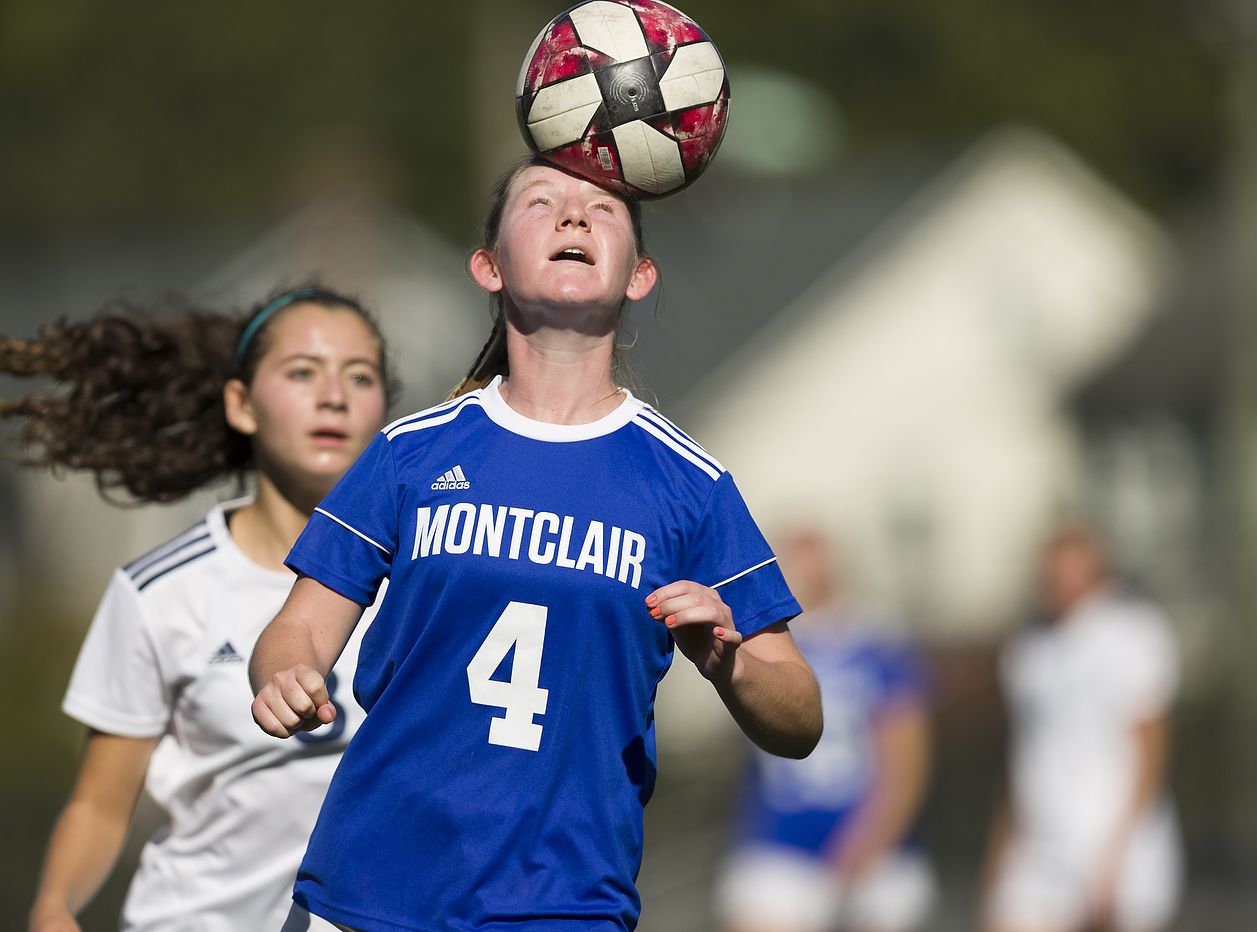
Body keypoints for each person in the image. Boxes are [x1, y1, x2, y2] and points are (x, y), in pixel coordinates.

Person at [248, 155, 826, 932]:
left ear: (640, 276)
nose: (575, 217)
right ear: (487, 267)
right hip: (368, 894)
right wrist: (286, 675)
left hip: (564, 905)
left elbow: (801, 719)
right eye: (542, 202)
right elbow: (300, 628)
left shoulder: (691, 485)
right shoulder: (409, 453)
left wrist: (729, 662)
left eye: (604, 209)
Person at [0, 286, 398, 932]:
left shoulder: (428, 578)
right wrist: (53, 907)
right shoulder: (161, 591)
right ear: (241, 405)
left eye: (360, 376)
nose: (334, 395)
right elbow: (102, 805)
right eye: (302, 372)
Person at [714, 529, 936, 932]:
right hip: (781, 843)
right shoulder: (757, 643)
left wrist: (866, 846)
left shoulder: (877, 641)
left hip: (872, 845)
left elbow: (906, 759)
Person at [982, 523, 1183, 932]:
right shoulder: (1028, 646)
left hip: (1115, 847)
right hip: (1041, 850)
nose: (1054, 578)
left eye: (1068, 566)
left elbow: (1151, 748)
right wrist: (998, 860)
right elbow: (1021, 758)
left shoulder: (1135, 635)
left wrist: (1117, 856)